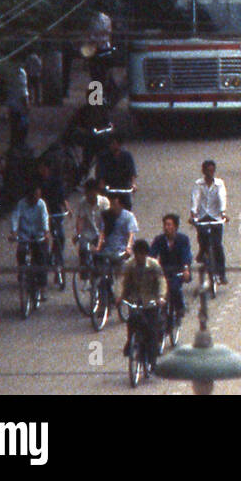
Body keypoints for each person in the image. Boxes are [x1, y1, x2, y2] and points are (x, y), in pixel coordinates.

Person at [117, 239, 166, 371]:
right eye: (137, 254)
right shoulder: (129, 265)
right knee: (132, 322)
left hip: (150, 301)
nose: (139, 257)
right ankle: (131, 342)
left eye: (142, 254)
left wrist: (160, 297)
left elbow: (161, 282)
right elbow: (123, 281)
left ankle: (152, 359)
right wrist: (120, 295)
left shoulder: (154, 265)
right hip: (135, 299)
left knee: (151, 330)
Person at [149, 214, 192, 329]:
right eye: (165, 225)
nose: (166, 227)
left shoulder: (183, 239)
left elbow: (186, 255)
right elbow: (152, 255)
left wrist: (186, 269)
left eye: (169, 225)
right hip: (164, 270)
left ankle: (179, 308)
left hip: (178, 270)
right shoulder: (159, 240)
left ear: (175, 227)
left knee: (174, 288)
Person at [10, 181, 51, 299]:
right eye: (35, 196)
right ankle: (22, 274)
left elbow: (44, 218)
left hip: (38, 236)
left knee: (41, 259)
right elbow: (15, 217)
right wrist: (13, 232)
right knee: (21, 253)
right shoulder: (21, 204)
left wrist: (46, 232)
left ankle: (43, 287)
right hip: (25, 235)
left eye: (39, 196)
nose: (37, 198)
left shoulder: (41, 204)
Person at [189, 160, 227, 285]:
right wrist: (193, 213)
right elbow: (196, 197)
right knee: (202, 238)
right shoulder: (198, 184)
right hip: (203, 216)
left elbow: (222, 197)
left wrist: (223, 213)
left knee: (218, 246)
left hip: (216, 217)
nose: (210, 174)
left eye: (212, 171)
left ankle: (221, 274)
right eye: (207, 171)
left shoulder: (219, 184)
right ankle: (202, 250)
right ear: (203, 171)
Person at [94, 135, 137, 208]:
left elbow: (132, 171)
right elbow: (100, 172)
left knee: (127, 205)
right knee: (106, 206)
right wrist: (101, 184)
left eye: (114, 143)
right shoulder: (103, 156)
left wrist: (133, 184)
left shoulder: (127, 156)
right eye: (111, 143)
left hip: (123, 185)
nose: (112, 145)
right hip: (109, 185)